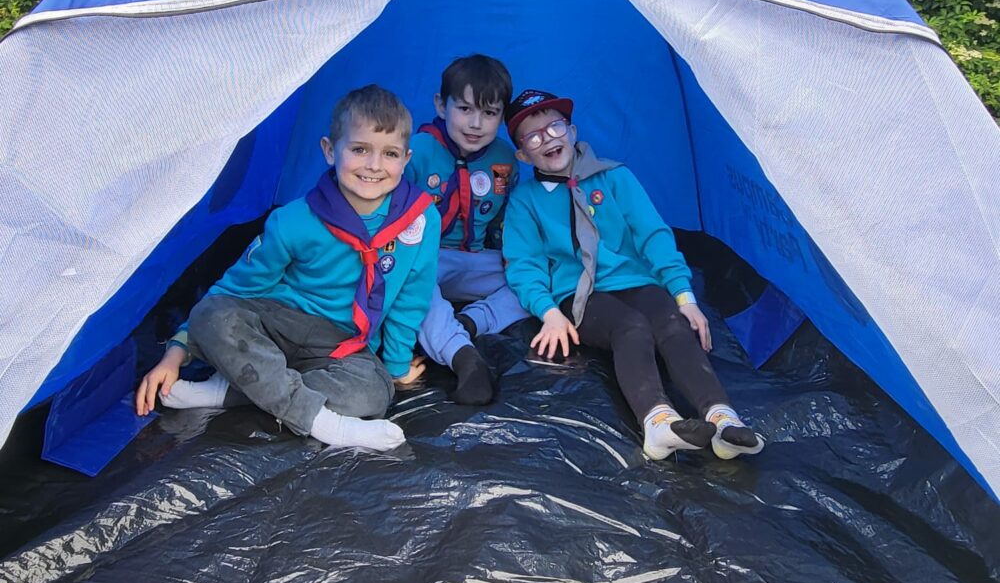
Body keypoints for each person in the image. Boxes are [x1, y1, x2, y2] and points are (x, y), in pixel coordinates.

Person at [135, 85, 440, 451]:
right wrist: (175, 353)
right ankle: (327, 424)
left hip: (341, 346)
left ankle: (232, 390)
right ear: (330, 150)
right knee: (212, 316)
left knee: (374, 393)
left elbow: (411, 297)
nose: (374, 165)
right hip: (279, 325)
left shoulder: (420, 221)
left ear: (406, 160)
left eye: (389, 154)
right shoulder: (293, 220)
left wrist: (395, 365)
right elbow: (232, 292)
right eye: (359, 149)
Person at [502, 89, 764, 462]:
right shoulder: (525, 201)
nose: (548, 138)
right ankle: (657, 422)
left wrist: (684, 297)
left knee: (672, 323)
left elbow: (652, 234)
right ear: (522, 154)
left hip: (635, 281)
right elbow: (524, 264)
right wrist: (549, 312)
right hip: (579, 295)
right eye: (534, 136)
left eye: (555, 126)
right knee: (631, 327)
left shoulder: (614, 177)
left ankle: (722, 418)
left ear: (572, 131)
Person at [406, 54, 528, 404]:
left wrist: (517, 262)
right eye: (465, 109)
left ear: (502, 117)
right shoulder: (416, 151)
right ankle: (464, 357)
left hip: (473, 259)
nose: (476, 124)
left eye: (489, 114)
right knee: (413, 286)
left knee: (541, 278)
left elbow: (506, 222)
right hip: (422, 259)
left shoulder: (506, 159)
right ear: (441, 106)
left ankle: (473, 321)